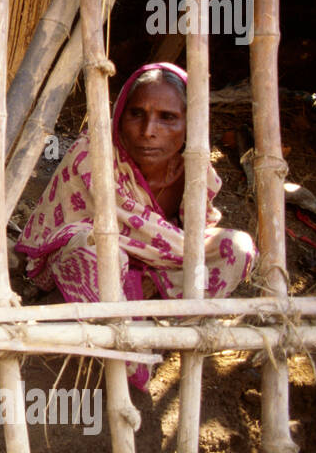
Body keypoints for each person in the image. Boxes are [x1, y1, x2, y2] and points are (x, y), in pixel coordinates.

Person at [14, 61, 257, 388]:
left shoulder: (193, 167)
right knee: (99, 246)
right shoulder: (93, 155)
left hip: (156, 270)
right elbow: (144, 233)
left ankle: (157, 312)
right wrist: (191, 253)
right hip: (79, 260)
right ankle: (128, 338)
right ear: (119, 115)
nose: (148, 131)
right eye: (136, 114)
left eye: (167, 118)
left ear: (190, 124)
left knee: (235, 248)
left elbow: (198, 231)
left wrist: (185, 257)